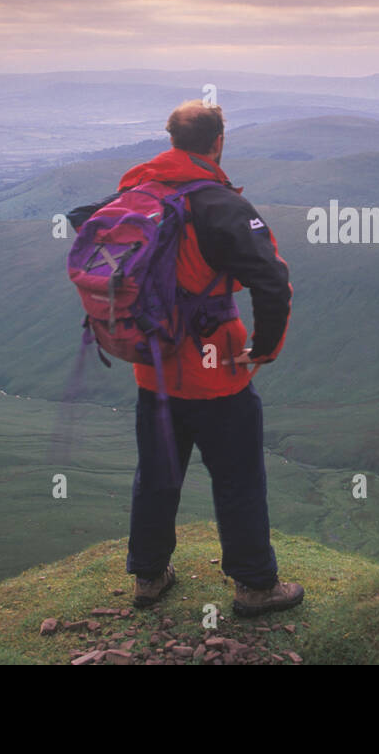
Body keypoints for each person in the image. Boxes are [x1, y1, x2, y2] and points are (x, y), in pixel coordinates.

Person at [115, 99, 302, 618]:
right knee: (238, 478)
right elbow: (273, 282)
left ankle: (148, 577)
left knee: (156, 474)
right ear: (218, 142)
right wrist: (264, 348)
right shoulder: (220, 205)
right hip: (217, 372)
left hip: (152, 369)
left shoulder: (135, 193)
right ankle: (255, 587)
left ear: (171, 140)